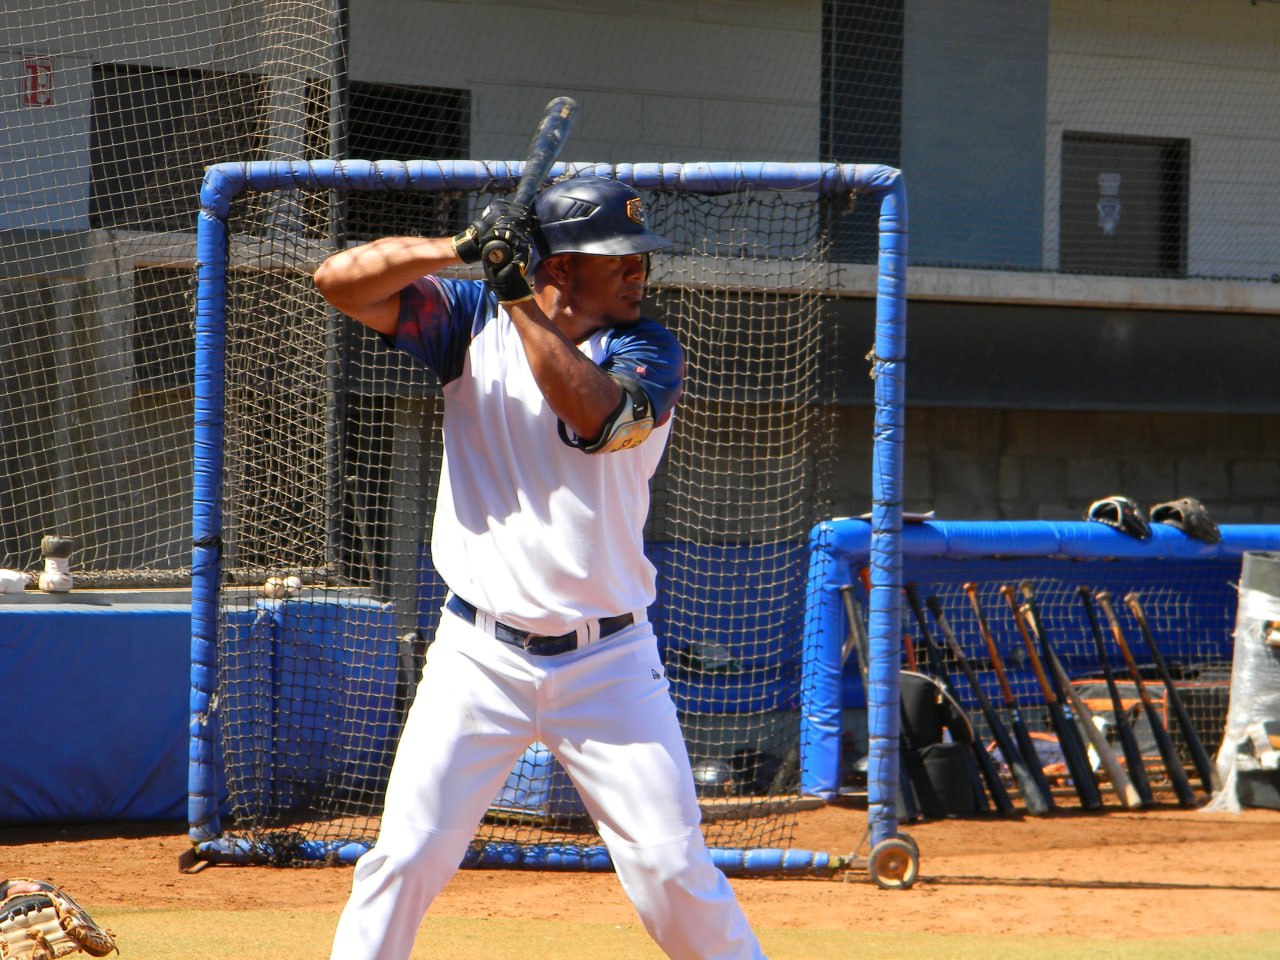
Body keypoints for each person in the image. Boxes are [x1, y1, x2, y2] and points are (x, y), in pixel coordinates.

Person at [314, 175, 768, 960]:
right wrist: (456, 250)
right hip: (477, 657)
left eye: (640, 257)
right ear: (560, 268)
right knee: (406, 858)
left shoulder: (647, 348)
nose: (639, 271)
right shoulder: (464, 321)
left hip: (610, 664)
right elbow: (338, 281)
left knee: (671, 870)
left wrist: (515, 294)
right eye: (617, 257)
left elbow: (591, 413)